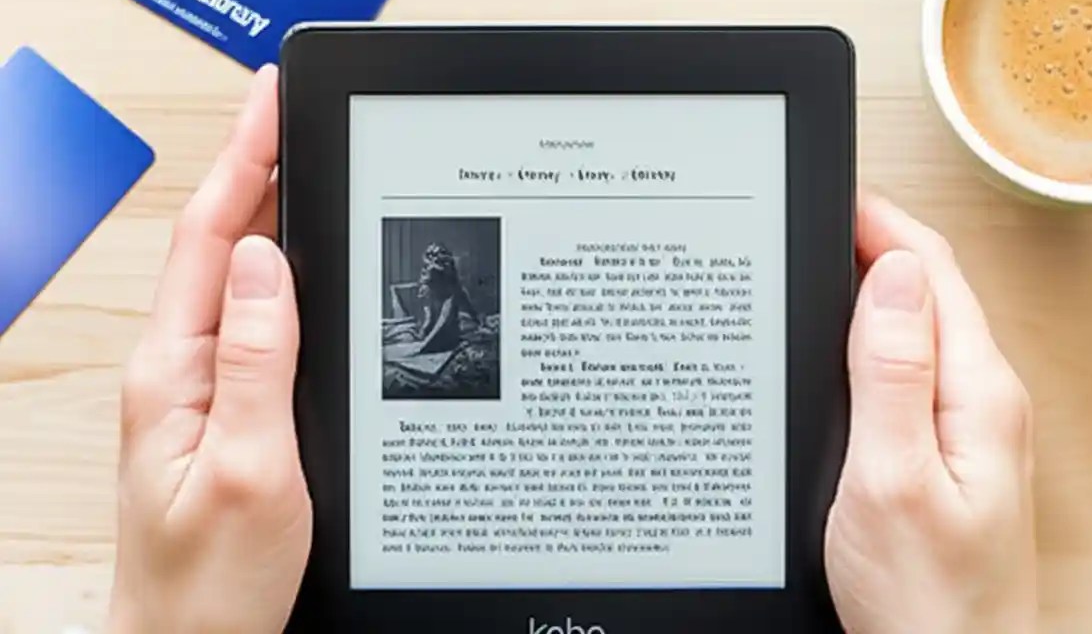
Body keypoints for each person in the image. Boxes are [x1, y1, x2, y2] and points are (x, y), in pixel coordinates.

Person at [106, 66, 1037, 634]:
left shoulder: (455, 286)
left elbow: (453, 323)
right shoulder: (439, 284)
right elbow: (439, 326)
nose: (433, 260)